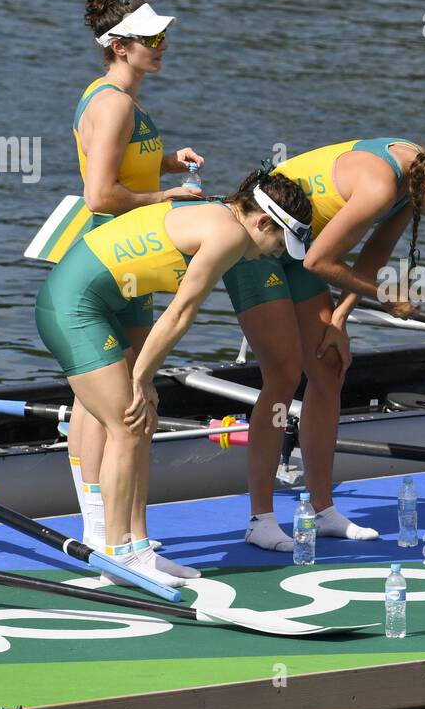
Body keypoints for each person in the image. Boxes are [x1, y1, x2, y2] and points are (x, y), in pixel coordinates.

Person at [35, 173, 313, 590]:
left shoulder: (222, 213)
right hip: (74, 305)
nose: (274, 254)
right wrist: (142, 378)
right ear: (262, 223)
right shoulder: (230, 237)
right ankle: (117, 555)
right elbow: (181, 312)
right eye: (278, 244)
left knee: (142, 421)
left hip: (105, 298)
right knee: (127, 426)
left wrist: (144, 379)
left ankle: (139, 548)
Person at [223, 139, 425, 552]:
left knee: (329, 367)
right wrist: (387, 297)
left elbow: (375, 253)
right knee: (283, 374)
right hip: (259, 240)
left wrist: (341, 318)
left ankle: (322, 509)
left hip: (303, 246)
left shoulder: (416, 173)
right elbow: (320, 264)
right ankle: (261, 518)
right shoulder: (383, 185)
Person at [67, 0, 206, 549]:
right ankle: (107, 530)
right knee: (125, 400)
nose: (162, 44)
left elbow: (126, 166)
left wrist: (168, 164)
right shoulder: (113, 102)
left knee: (93, 398)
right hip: (116, 256)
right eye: (150, 37)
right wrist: (166, 201)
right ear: (119, 46)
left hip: (128, 255)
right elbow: (99, 194)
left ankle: (104, 526)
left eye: (163, 35)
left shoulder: (119, 97)